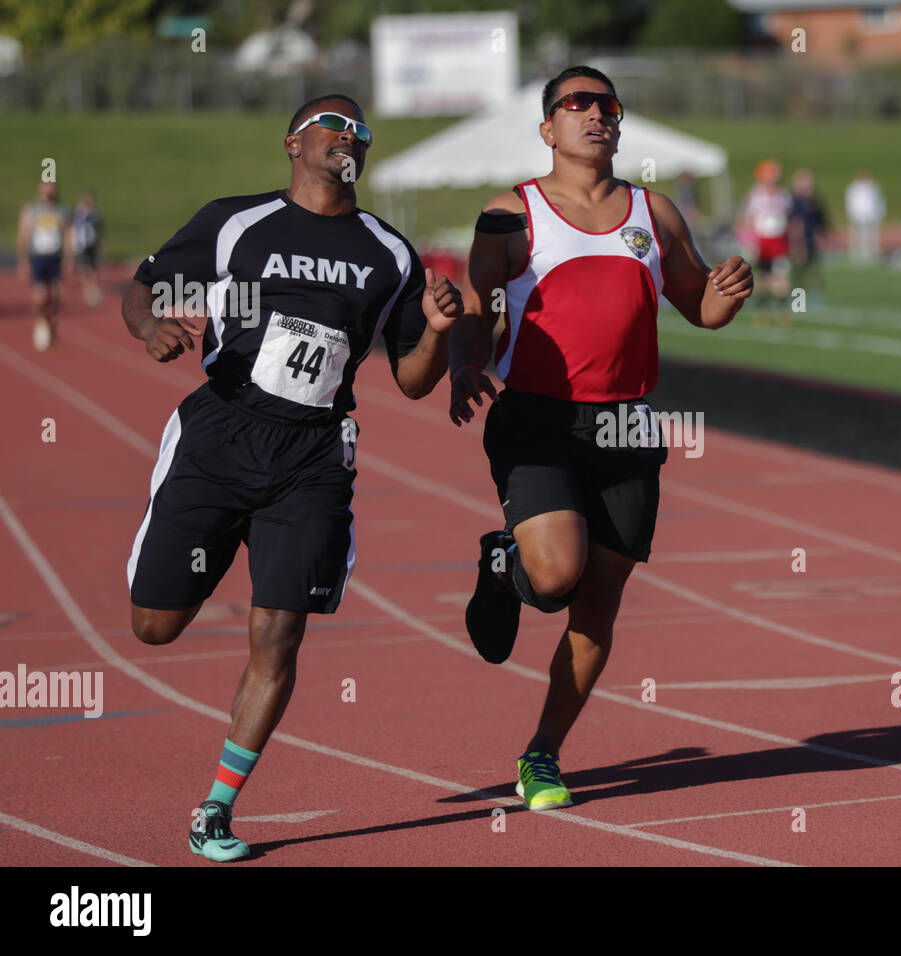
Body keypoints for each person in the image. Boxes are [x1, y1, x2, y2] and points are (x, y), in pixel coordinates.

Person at [121, 94, 463, 861]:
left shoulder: (391, 254)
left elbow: (412, 380)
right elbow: (142, 285)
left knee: (278, 630)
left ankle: (215, 809)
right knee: (154, 625)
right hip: (222, 434)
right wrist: (151, 328)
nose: (350, 137)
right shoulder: (236, 222)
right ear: (293, 143)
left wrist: (439, 333)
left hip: (311, 456)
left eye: (361, 131)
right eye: (334, 126)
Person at [447, 66, 752, 811]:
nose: (595, 115)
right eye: (576, 104)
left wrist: (724, 298)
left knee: (598, 605)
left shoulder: (657, 213)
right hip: (539, 417)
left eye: (606, 105)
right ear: (547, 127)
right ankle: (506, 564)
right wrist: (462, 363)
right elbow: (476, 312)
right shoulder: (507, 214)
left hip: (626, 420)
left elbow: (697, 306)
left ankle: (542, 754)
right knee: (553, 577)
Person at [16, 180, 72, 351]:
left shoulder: (61, 210)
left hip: (55, 257)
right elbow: (23, 234)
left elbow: (67, 234)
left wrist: (69, 257)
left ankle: (51, 322)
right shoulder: (31, 210)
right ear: (39, 188)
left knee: (57, 295)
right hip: (38, 257)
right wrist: (23, 260)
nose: (49, 189)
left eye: (52, 185)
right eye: (46, 185)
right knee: (40, 295)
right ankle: (41, 320)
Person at [737, 158, 792, 311]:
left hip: (779, 240)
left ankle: (782, 308)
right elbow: (746, 218)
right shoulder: (755, 195)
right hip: (762, 240)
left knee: (781, 275)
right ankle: (763, 308)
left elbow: (789, 218)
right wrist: (748, 241)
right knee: (762, 275)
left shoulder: (784, 195)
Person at [789, 167, 828, 303]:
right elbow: (792, 222)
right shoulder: (792, 201)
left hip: (811, 240)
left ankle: (815, 297)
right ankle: (797, 300)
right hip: (797, 241)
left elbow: (822, 221)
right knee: (797, 271)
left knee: (812, 270)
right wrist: (796, 243)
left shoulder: (815, 201)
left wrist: (822, 236)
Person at [72, 191, 104, 307]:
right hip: (82, 245)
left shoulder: (96, 213)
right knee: (85, 269)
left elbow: (99, 228)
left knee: (94, 268)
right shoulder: (78, 213)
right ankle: (87, 291)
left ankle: (94, 290)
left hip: (92, 244)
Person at [845, 170, 885, 264]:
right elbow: (850, 201)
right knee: (856, 235)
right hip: (857, 214)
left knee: (871, 235)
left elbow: (879, 200)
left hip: (871, 214)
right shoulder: (853, 188)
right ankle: (856, 254)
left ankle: (872, 253)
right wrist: (852, 213)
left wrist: (879, 212)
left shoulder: (874, 187)